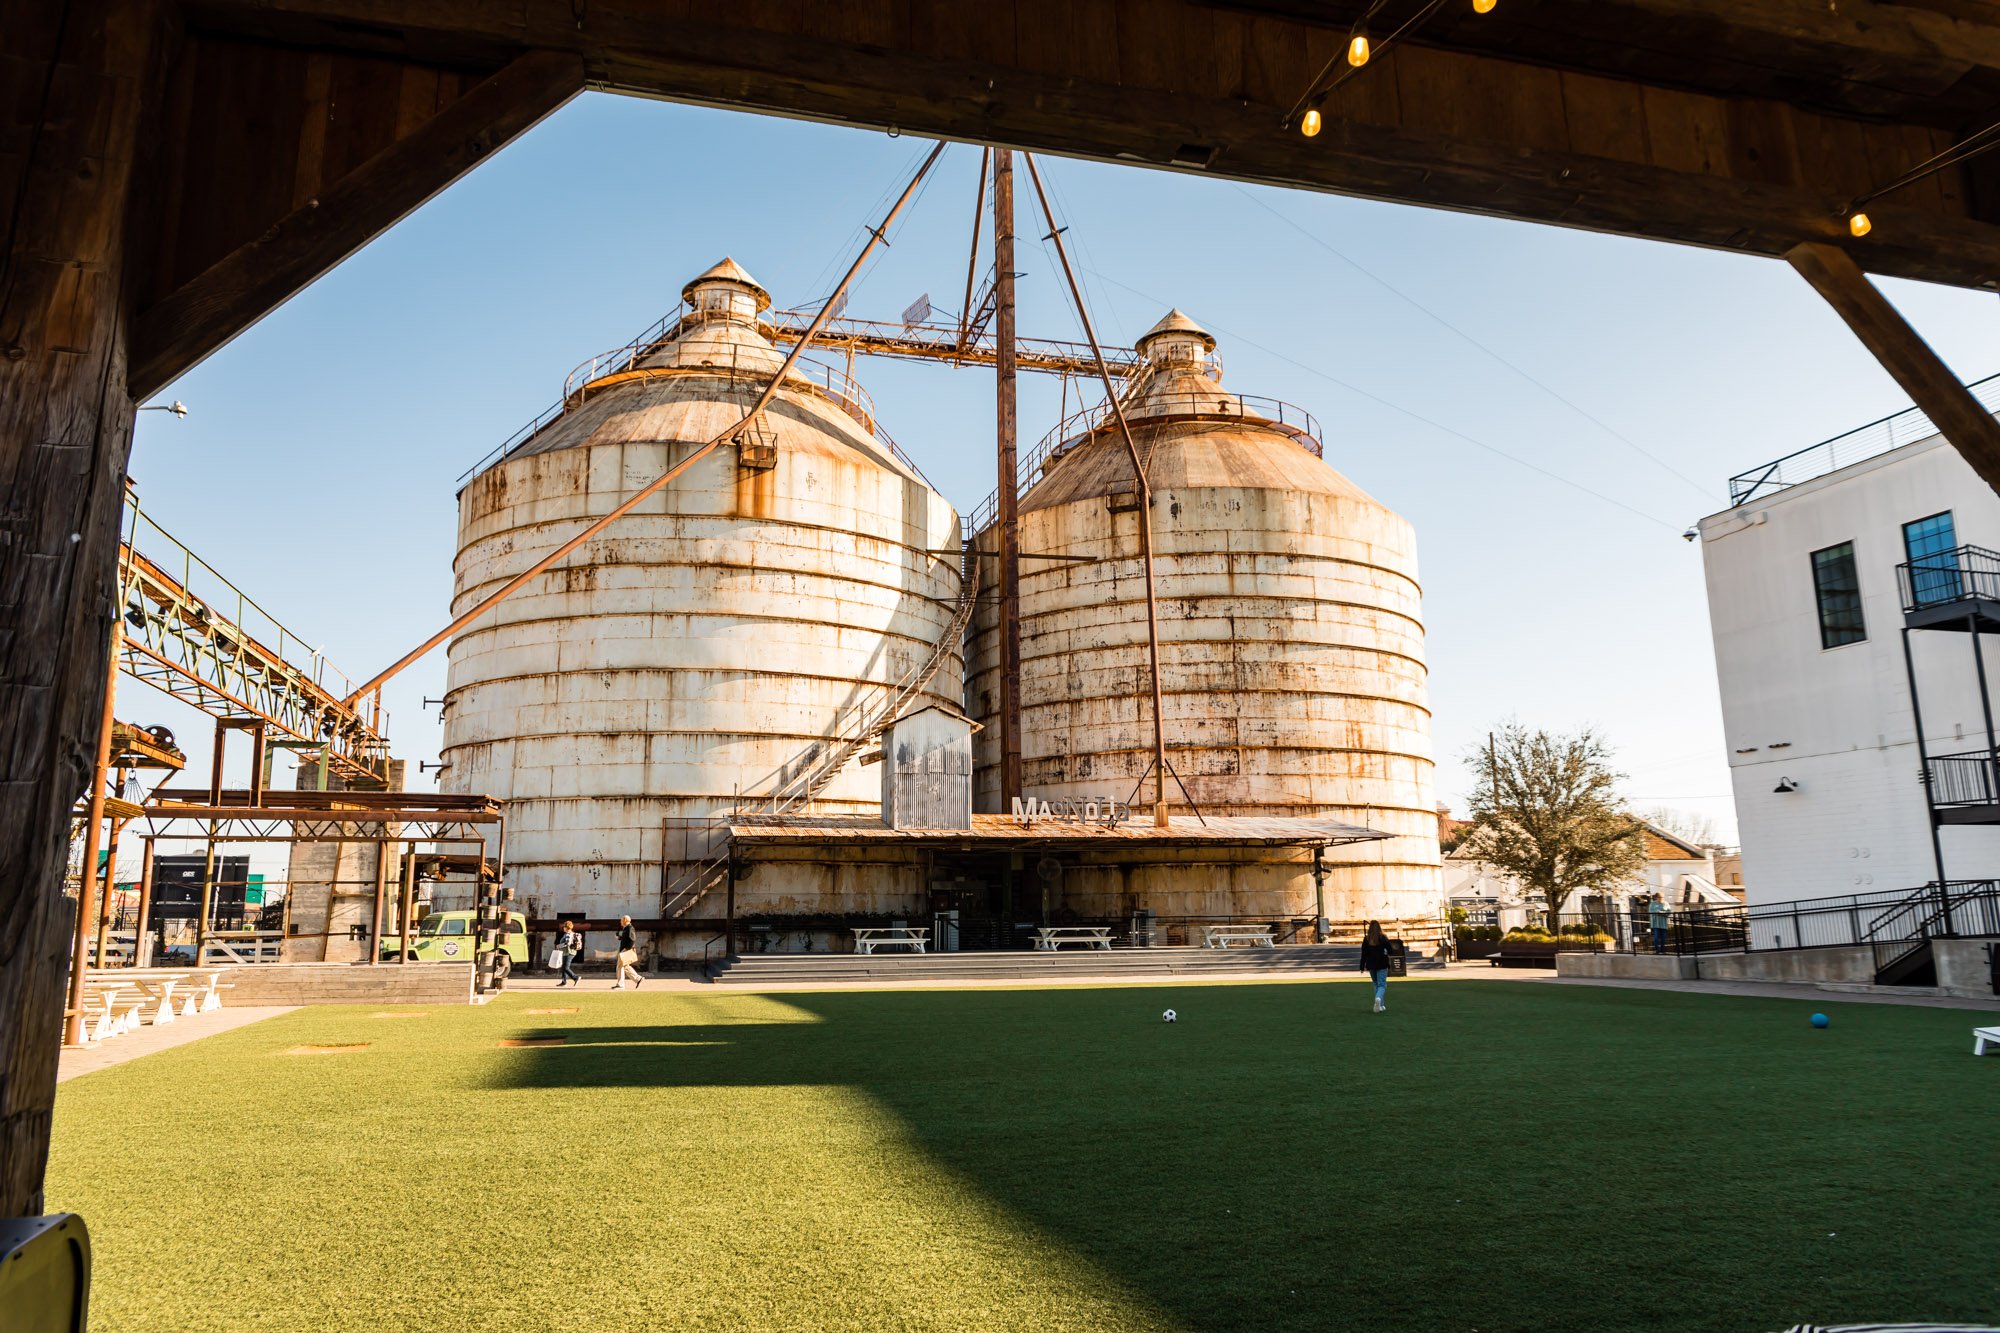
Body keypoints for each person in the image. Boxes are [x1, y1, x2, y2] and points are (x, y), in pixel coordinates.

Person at [1359, 919, 1392, 1013]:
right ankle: (1378, 999)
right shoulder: (1383, 938)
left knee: (1375, 983)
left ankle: (1381, 1005)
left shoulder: (1367, 939)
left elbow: (1363, 954)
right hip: (1382, 963)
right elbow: (1390, 950)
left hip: (1371, 964)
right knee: (1382, 984)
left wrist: (1362, 966)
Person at [613, 914, 644, 990]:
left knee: (619, 966)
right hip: (626, 950)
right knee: (625, 966)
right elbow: (627, 938)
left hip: (626, 950)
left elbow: (632, 939)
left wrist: (626, 949)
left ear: (625, 920)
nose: (620, 922)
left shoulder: (630, 928)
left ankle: (620, 985)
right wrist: (619, 938)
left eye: (621, 920)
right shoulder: (626, 928)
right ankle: (638, 978)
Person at [553, 919, 581, 988]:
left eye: (564, 927)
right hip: (567, 952)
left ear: (567, 927)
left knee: (565, 968)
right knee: (564, 967)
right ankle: (564, 982)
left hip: (569, 952)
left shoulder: (568, 934)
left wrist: (558, 946)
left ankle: (575, 977)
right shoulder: (570, 933)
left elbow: (567, 943)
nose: (563, 928)